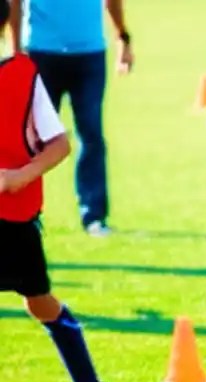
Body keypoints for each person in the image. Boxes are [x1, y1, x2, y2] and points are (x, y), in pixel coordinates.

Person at [0, 0, 117, 382]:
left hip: (13, 219)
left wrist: (20, 176)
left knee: (40, 304)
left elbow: (60, 144)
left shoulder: (22, 77)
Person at [6, 0, 133, 236]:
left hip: (89, 52)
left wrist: (122, 37)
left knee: (92, 135)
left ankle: (94, 217)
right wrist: (16, 52)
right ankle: (23, 215)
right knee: (29, 140)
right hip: (41, 51)